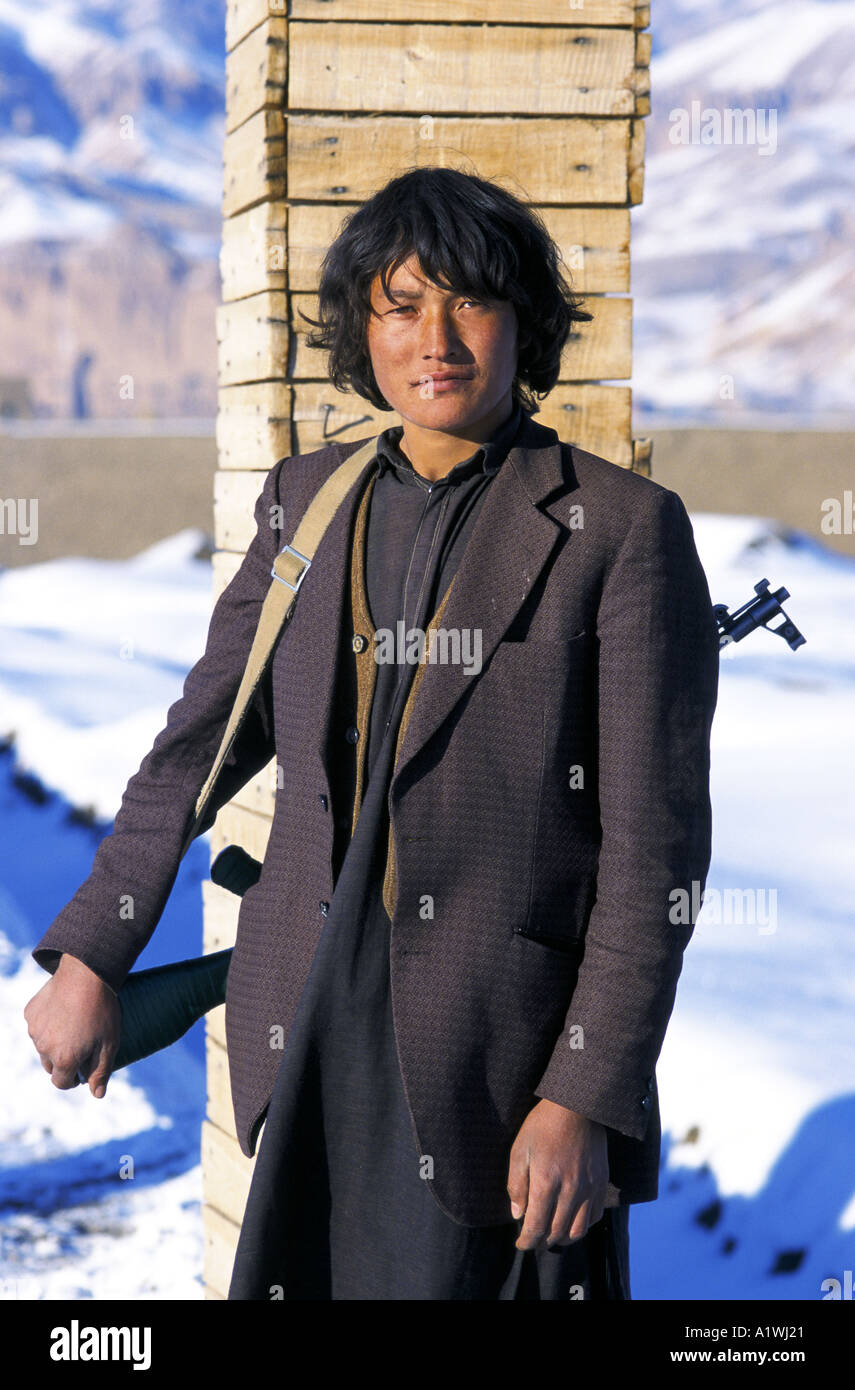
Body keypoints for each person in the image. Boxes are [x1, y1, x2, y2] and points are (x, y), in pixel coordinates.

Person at [25, 166, 719, 1300]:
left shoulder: (619, 530)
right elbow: (196, 747)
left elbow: (656, 859)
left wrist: (586, 1094)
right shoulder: (307, 501)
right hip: (303, 1045)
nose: (435, 339)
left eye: (470, 302)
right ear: (363, 327)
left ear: (523, 322)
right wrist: (95, 949)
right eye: (402, 305)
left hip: (497, 1074)